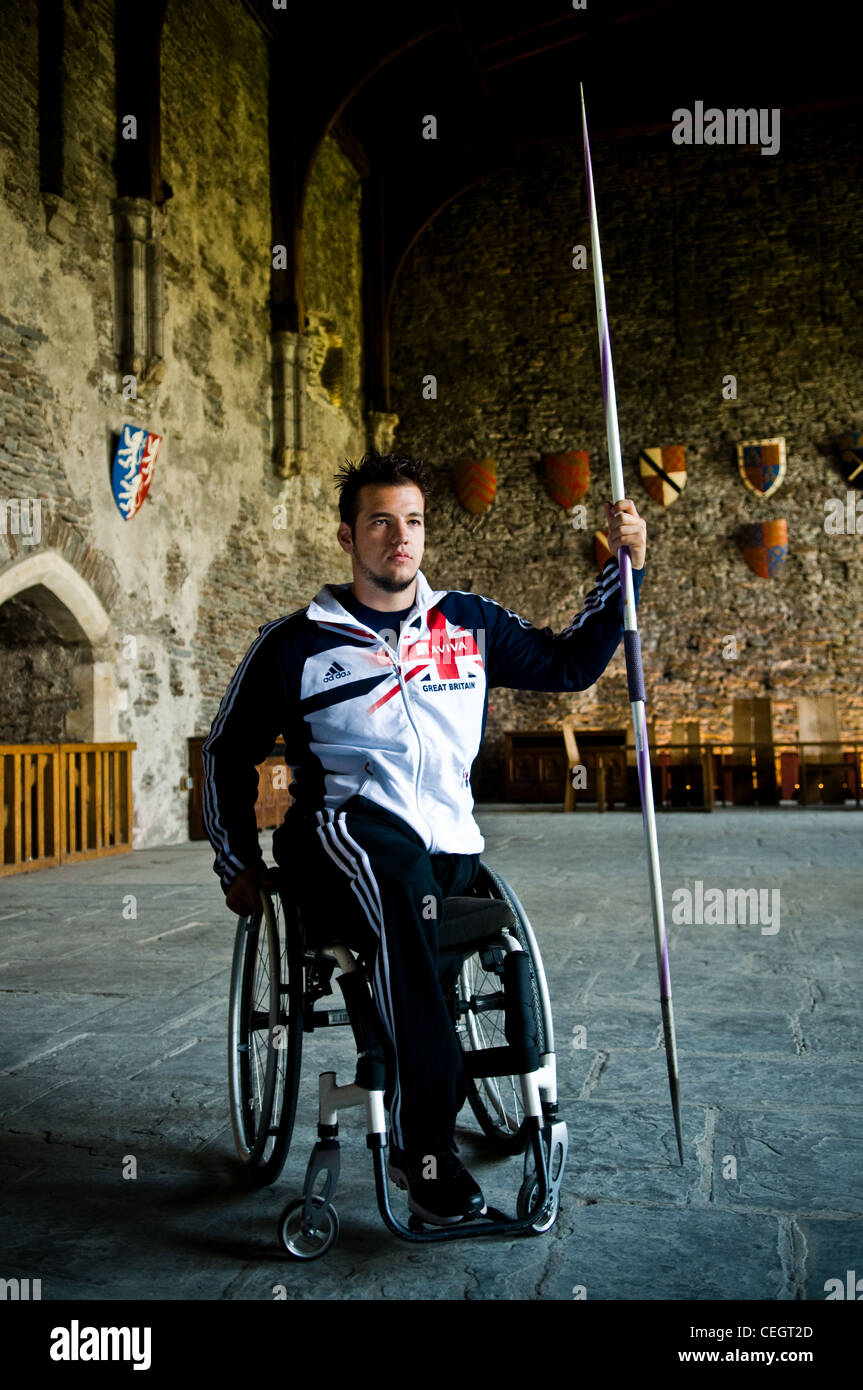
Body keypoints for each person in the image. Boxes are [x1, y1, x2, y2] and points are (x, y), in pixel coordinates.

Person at [202, 451, 646, 1225]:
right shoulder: (297, 643)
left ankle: (496, 1096)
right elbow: (225, 753)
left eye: (411, 521)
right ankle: (425, 1154)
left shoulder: (467, 623)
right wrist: (237, 859)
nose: (398, 537)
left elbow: (571, 664)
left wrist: (626, 571)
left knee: (431, 897)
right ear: (348, 536)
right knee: (398, 885)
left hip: (448, 842)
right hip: (340, 832)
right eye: (380, 521)